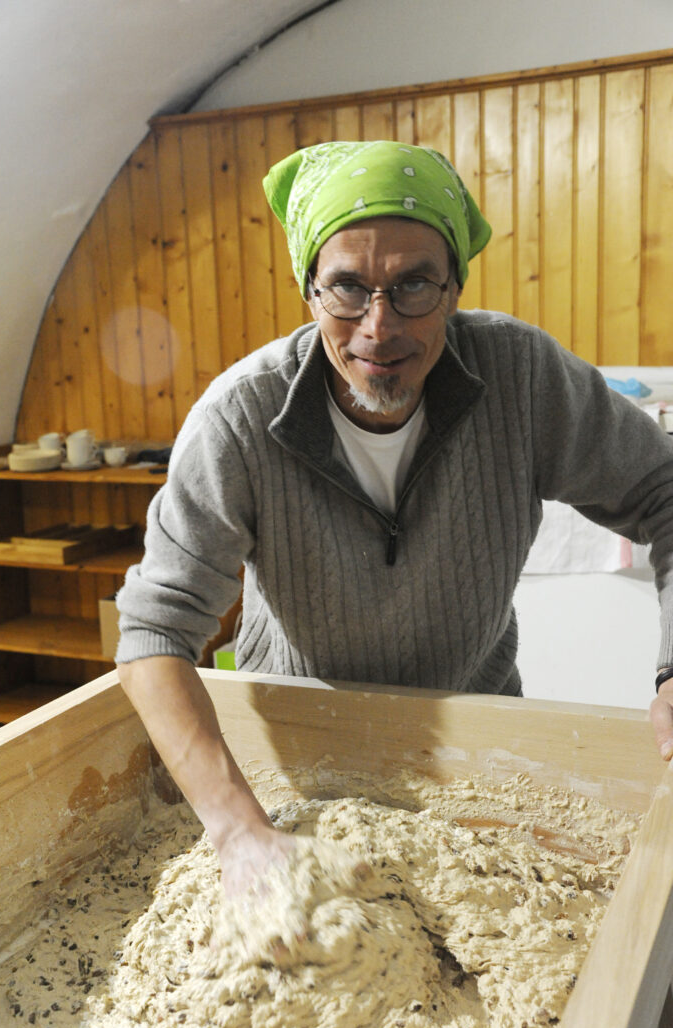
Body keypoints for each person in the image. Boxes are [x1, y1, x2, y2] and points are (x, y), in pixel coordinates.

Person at [115, 140, 673, 896]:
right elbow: (153, 634)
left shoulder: (520, 378)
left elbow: (664, 489)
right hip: (298, 763)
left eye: (414, 285)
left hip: (482, 749)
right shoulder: (240, 420)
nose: (379, 327)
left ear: (454, 289)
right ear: (310, 291)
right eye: (347, 288)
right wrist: (240, 832)